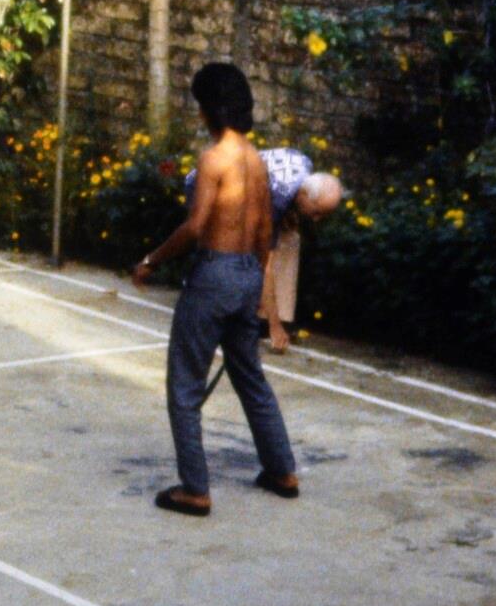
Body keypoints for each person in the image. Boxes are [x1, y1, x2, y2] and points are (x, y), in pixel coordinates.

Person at [131, 63, 300, 516]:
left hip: (214, 276)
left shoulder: (213, 159)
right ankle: (282, 469)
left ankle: (195, 488)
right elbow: (267, 234)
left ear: (209, 110)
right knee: (250, 377)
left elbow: (195, 226)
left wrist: (151, 259)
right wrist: (262, 299)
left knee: (185, 383)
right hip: (247, 273)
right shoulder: (258, 163)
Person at [257, 146, 347, 353]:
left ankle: (277, 314)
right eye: (316, 212)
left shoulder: (305, 165)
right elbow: (266, 268)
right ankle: (265, 319)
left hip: (259, 192)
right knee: (256, 257)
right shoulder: (277, 202)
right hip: (220, 196)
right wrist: (274, 326)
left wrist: (290, 210)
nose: (316, 219)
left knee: (291, 236)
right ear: (305, 194)